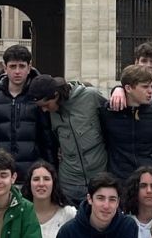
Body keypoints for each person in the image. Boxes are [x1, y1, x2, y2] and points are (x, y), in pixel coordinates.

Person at [29, 74, 109, 205]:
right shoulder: (50, 113)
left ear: (55, 95)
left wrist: (119, 89)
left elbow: (113, 121)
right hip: (69, 184)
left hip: (99, 176)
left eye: (46, 105)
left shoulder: (91, 96)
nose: (44, 110)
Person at [0, 45, 48, 179]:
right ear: (5, 67)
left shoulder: (39, 97)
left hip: (32, 174)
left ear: (29, 66)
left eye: (21, 66)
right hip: (1, 173)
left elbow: (47, 138)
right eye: (13, 66)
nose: (17, 71)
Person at [101, 66, 152, 185]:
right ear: (128, 88)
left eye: (151, 86)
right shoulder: (108, 113)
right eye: (145, 87)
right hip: (119, 181)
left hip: (149, 181)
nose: (150, 91)